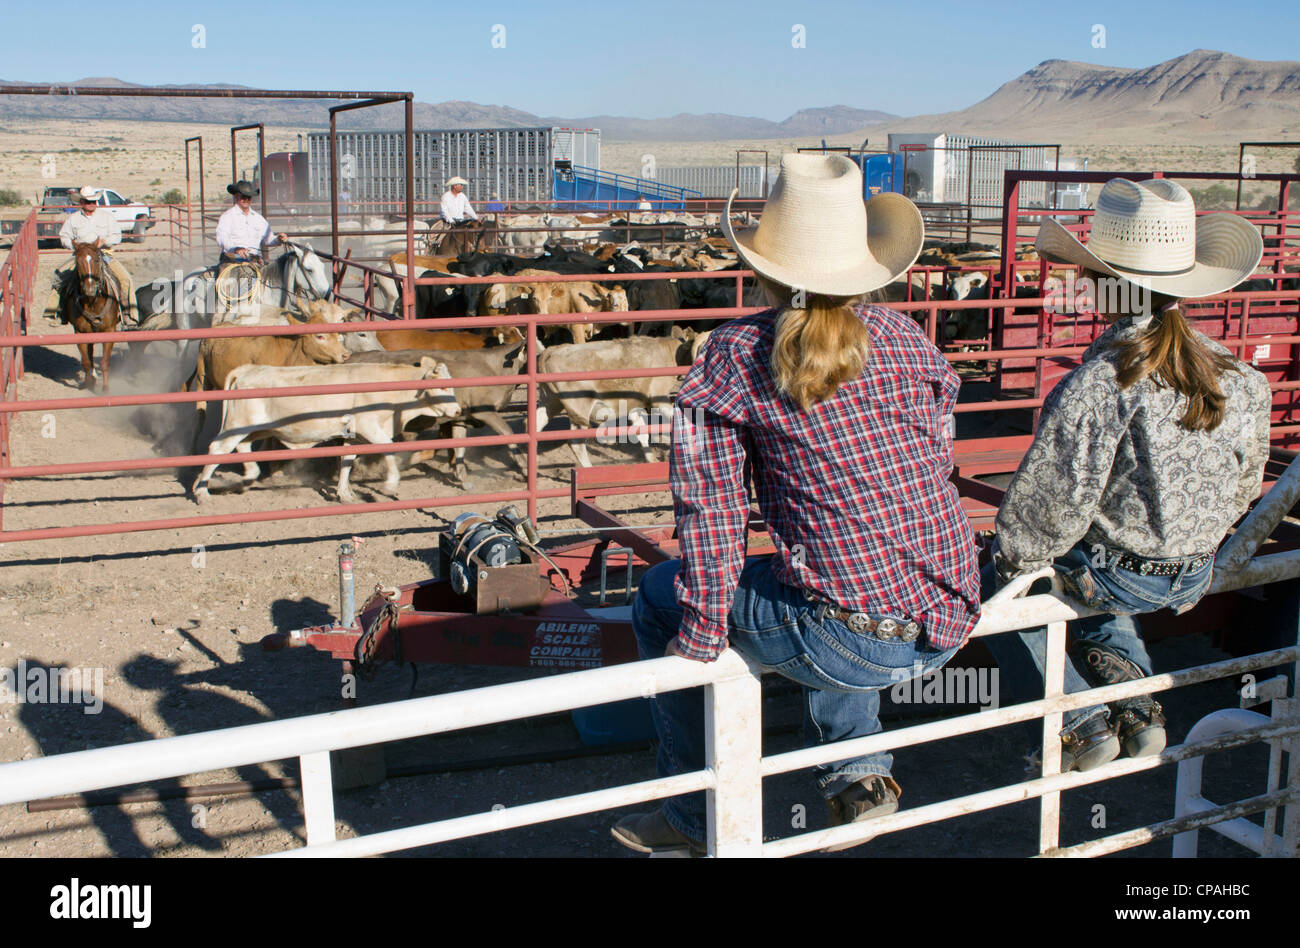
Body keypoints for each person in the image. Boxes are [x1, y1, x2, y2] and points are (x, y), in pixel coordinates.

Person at [609, 154, 982, 855]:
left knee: (665, 593)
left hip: (850, 638)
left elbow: (710, 513)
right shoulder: (905, 337)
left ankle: (691, 818)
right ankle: (857, 773)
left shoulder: (733, 353)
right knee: (833, 557)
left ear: (762, 266)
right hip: (951, 609)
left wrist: (701, 634)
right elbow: (937, 458)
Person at [984, 177, 1271, 772]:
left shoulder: (1100, 383)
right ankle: (1136, 705)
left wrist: (1009, 559)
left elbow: (1049, 509)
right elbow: (1246, 486)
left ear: (1098, 283)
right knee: (1085, 556)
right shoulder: (1241, 376)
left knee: (1005, 575)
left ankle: (1079, 723)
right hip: (1194, 571)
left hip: (1121, 576)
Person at [53, 186, 136, 325]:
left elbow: (117, 236)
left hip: (103, 254)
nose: (91, 204)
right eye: (87, 202)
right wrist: (74, 246)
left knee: (125, 279)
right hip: (81, 256)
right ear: (81, 202)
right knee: (58, 280)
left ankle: (128, 312)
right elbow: (64, 236)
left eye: (93, 202)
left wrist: (104, 241)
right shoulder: (73, 219)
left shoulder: (107, 217)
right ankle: (57, 313)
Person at [215, 180, 288, 271]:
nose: (246, 200)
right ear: (236, 196)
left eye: (248, 197)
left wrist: (278, 239)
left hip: (254, 262)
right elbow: (222, 239)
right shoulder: (227, 217)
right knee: (229, 283)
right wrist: (236, 249)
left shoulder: (258, 219)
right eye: (243, 196)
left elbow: (268, 240)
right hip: (231, 261)